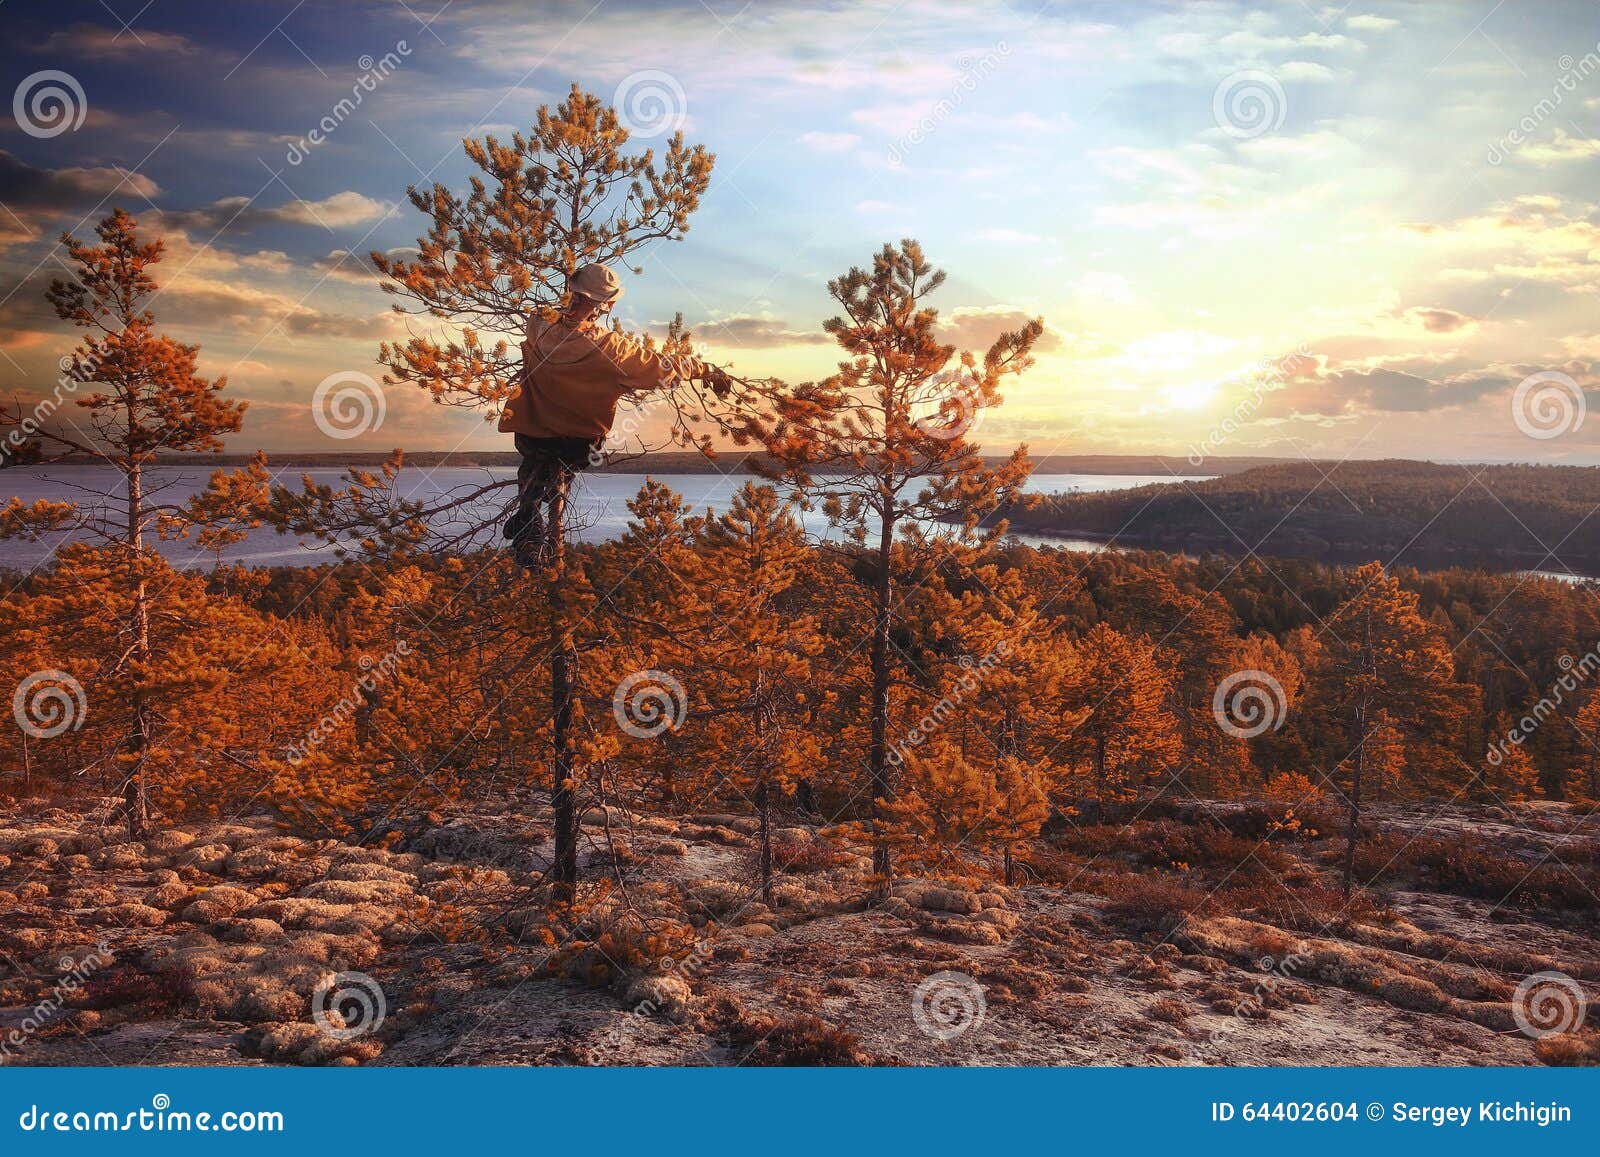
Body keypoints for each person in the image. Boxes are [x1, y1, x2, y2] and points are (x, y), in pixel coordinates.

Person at [498, 263, 730, 566]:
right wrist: (707, 370)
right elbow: (665, 369)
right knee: (563, 463)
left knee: (535, 460)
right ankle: (534, 524)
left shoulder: (539, 322)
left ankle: (529, 520)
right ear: (606, 304)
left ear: (572, 291)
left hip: (532, 432)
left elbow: (554, 323)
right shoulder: (612, 349)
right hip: (579, 443)